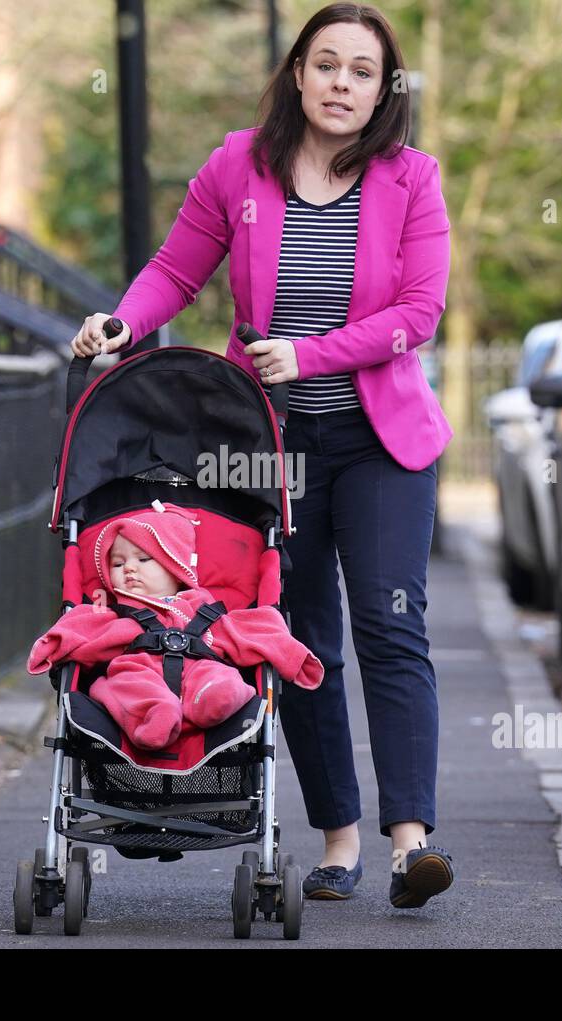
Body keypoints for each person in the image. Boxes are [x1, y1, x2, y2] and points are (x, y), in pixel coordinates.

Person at [70, 3, 455, 909]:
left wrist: (310, 352)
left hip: (381, 444)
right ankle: (340, 841)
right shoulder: (237, 165)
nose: (343, 85)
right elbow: (175, 270)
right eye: (327, 65)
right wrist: (126, 322)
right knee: (300, 637)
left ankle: (411, 844)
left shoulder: (413, 179)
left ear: (383, 90)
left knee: (391, 626)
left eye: (363, 72)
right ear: (296, 73)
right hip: (269, 445)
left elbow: (418, 314)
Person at [28, 500, 324, 750]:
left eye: (144, 559)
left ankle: (213, 699)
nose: (129, 568)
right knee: (122, 683)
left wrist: (294, 658)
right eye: (117, 564)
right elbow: (81, 629)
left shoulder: (202, 609)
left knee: (221, 676)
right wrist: (52, 645)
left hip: (199, 667)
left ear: (175, 567)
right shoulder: (114, 613)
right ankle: (155, 713)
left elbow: (253, 630)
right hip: (138, 668)